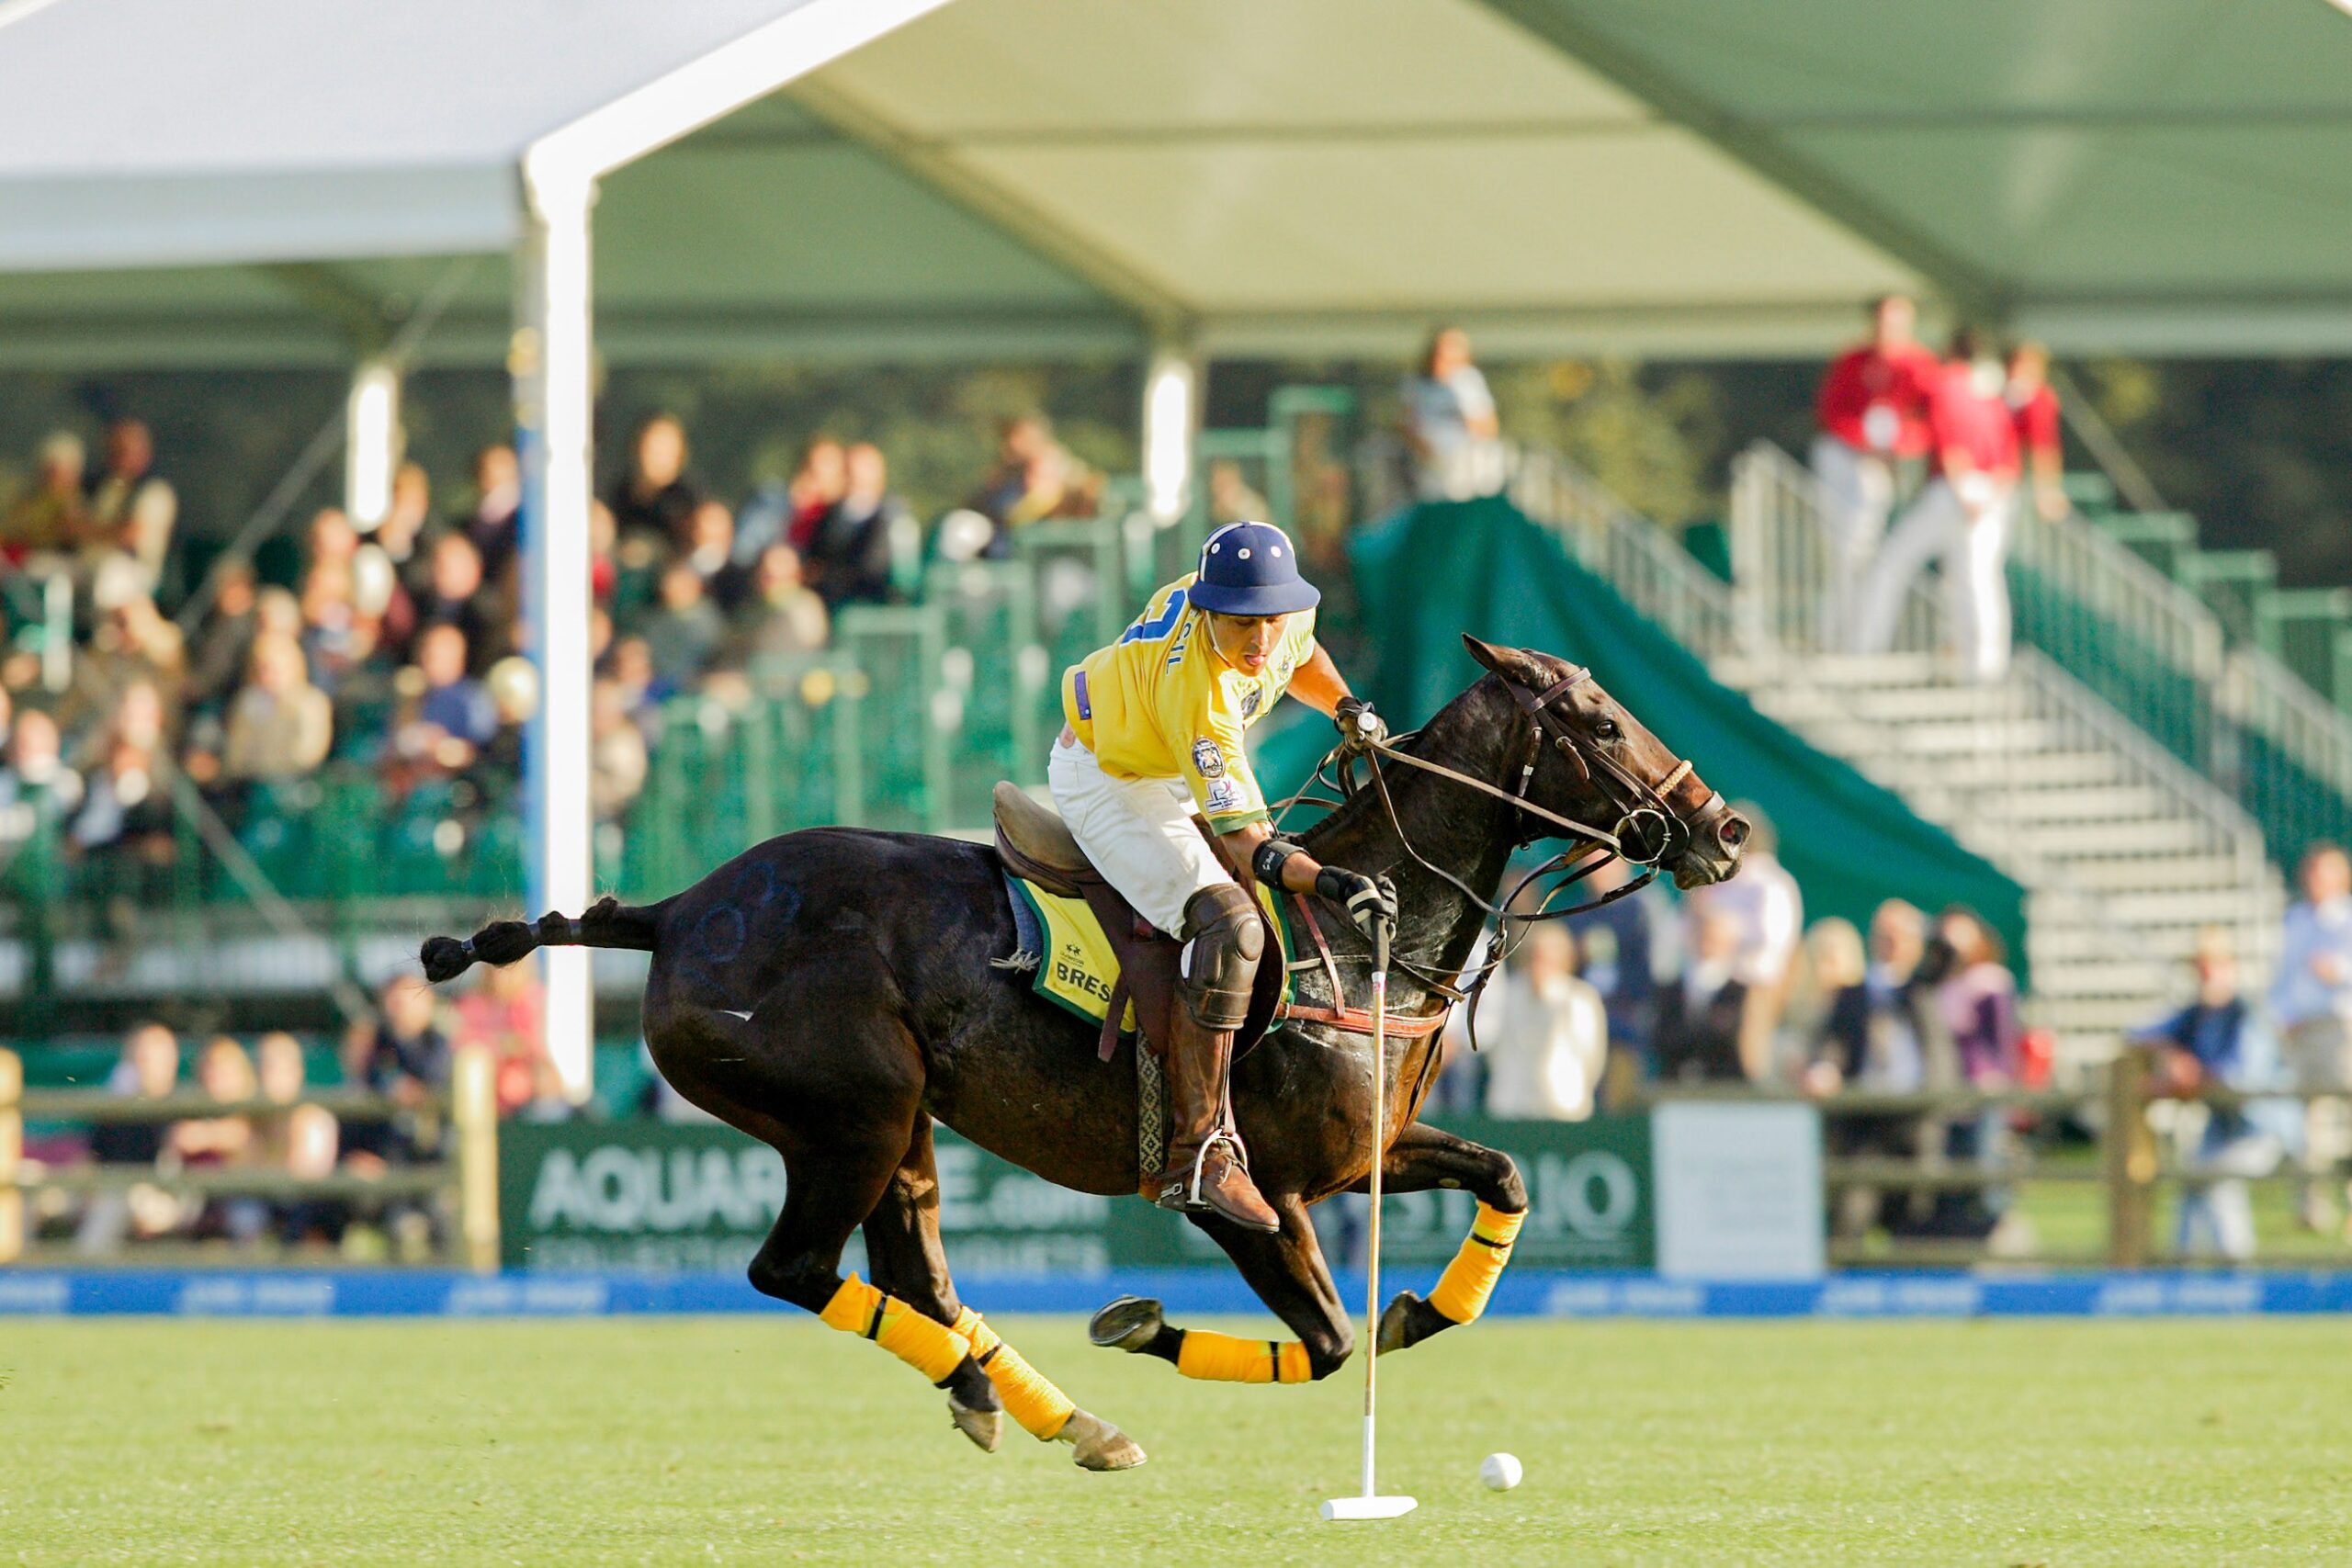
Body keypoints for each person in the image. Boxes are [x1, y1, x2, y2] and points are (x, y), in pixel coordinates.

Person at [1051, 519, 1391, 1232]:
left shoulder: (1276, 611)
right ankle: (1200, 1152)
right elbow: (1253, 848)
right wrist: (1333, 882)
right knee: (1231, 924)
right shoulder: (1199, 693)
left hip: (1162, 759)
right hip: (1107, 774)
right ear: (1209, 611)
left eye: (1271, 617)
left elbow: (1301, 653)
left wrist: (1344, 707)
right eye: (1242, 623)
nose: (1260, 638)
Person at [1851, 328, 2021, 683]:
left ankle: (1864, 651)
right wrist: (1990, 496)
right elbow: (2009, 459)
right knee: (1977, 580)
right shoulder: (1989, 394)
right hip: (1992, 493)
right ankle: (1986, 668)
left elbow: (1949, 440)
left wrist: (1962, 491)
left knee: (1890, 564)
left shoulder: (1947, 384)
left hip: (1955, 491)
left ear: (1951, 351)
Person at [2134, 931, 2290, 1262]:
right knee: (2192, 1182)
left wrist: (2190, 1076)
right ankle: (2181, 1268)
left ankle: (2236, 1272)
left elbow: (2239, 1080)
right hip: (2221, 1131)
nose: (2207, 974)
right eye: (2201, 966)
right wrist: (2171, 1054)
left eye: (2215, 965)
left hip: (2261, 1128)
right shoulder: (2196, 1014)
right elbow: (2141, 1034)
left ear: (2230, 967)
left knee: (2215, 1181)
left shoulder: (2246, 1014)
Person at [1805, 900, 1955, 1241]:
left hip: (1915, 1116)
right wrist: (1825, 1069)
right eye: (1885, 935)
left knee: (1915, 1216)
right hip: (1864, 1120)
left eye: (1901, 936)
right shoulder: (1853, 993)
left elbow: (1947, 954)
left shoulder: (1923, 990)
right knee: (1851, 1212)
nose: (1893, 943)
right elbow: (1833, 1043)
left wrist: (1925, 928)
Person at [1811, 294, 1939, 642]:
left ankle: (1861, 635)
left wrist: (1898, 446)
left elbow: (1932, 421)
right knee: (1841, 547)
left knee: (1864, 546)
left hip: (1888, 463)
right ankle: (1836, 627)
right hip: (1848, 454)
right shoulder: (1853, 360)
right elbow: (1832, 412)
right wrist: (1863, 441)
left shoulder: (1920, 365)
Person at [1681, 802, 1801, 1078]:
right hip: (1710, 981)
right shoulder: (1712, 881)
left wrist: (1727, 931)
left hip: (1756, 984)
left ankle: (1753, 1081)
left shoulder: (1771, 883)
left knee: (1746, 1048)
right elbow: (1686, 930)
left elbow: (1772, 941)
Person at [2268, 842, 2352, 1232]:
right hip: (2302, 1032)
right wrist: (2283, 1016)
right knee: (2307, 1123)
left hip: (2341, 1031)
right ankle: (2313, 1208)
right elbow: (2283, 977)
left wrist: (2339, 970)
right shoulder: (2296, 920)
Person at [1479, 923, 1608, 1120]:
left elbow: (1592, 1058)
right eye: (1534, 956)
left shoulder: (1580, 999)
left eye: (1546, 958)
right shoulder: (1507, 994)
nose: (1538, 964)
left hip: (1562, 1108)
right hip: (1509, 1106)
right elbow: (1491, 1046)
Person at [1401, 325, 1503, 502]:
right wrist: (1425, 451)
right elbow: (1406, 423)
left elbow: (1488, 427)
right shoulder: (1417, 384)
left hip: (1468, 466)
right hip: (1429, 467)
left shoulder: (1469, 382)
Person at [804, 443, 908, 609]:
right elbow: (815, 556)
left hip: (870, 604)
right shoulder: (832, 514)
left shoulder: (888, 515)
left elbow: (873, 567)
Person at [220, 632, 334, 784]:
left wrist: (266, 770)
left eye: (274, 669)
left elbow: (308, 754)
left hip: (292, 783)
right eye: (262, 669)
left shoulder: (311, 703)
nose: (267, 676)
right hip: (247, 782)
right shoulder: (249, 700)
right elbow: (236, 749)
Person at [1654, 908, 1750, 1083]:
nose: (1707, 946)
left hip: (1726, 1088)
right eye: (1703, 937)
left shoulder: (1742, 994)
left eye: (1715, 941)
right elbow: (1661, 1038)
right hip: (1674, 1087)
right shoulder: (1670, 991)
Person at [85, 418, 176, 589]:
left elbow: (130, 535)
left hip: (134, 568)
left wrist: (87, 530)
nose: (119, 458)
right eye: (114, 451)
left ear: (144, 453)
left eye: (124, 451)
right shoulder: (100, 485)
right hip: (89, 560)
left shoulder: (154, 490)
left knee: (109, 575)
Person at [609, 412, 702, 547]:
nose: (656, 455)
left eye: (664, 448)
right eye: (651, 447)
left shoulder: (686, 501)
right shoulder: (621, 494)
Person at [2004, 341, 2069, 525]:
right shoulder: (2000, 395)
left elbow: (2044, 447)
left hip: (2014, 478)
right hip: (1997, 476)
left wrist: (2047, 489)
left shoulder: (2039, 399)